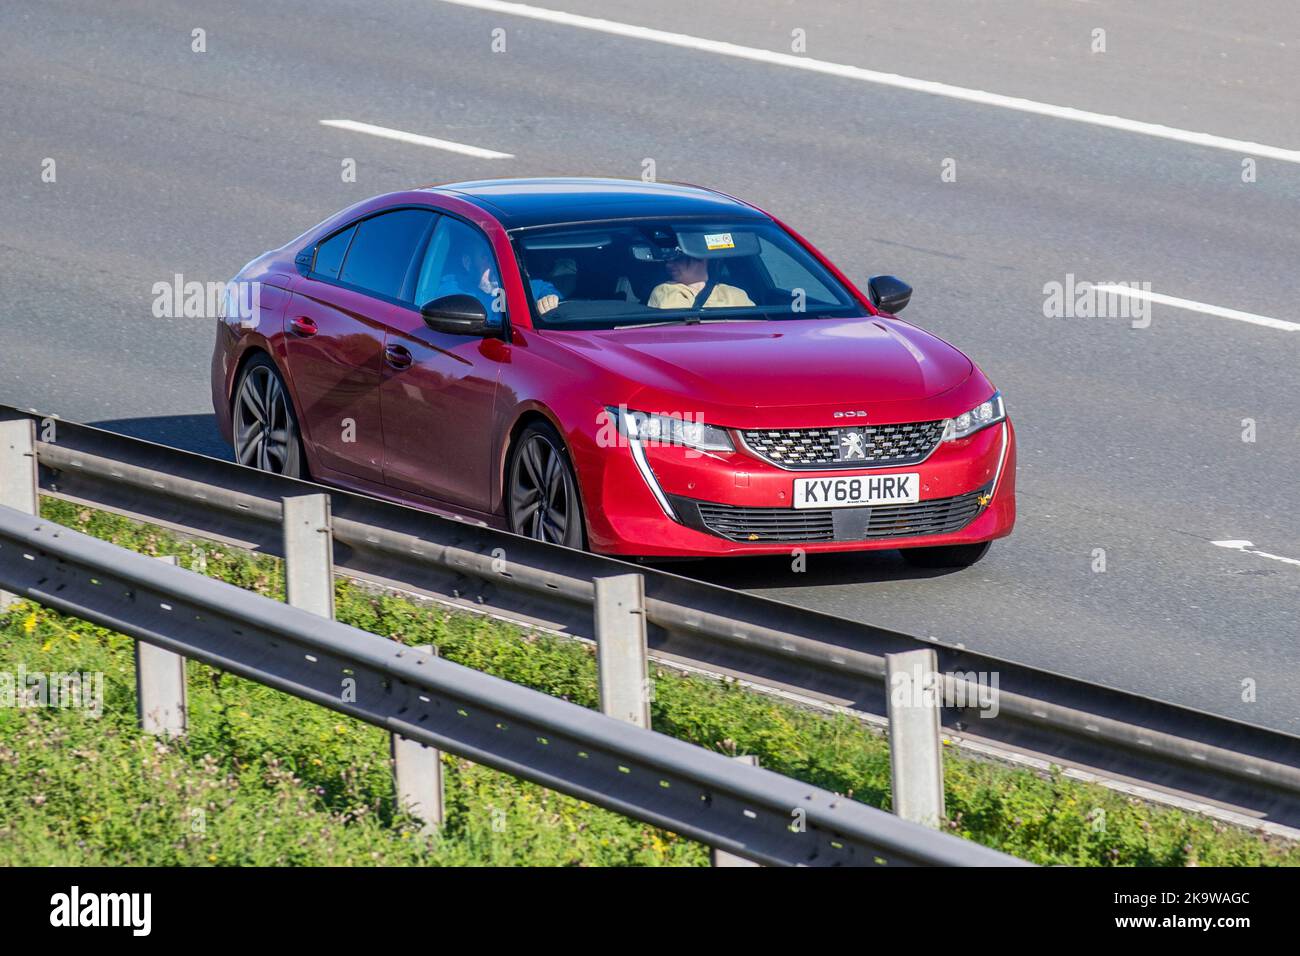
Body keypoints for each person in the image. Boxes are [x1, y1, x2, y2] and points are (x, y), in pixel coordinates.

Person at [646, 252, 753, 310]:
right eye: (667, 260)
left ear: (701, 258)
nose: (669, 264)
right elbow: (678, 325)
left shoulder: (735, 293)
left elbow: (755, 324)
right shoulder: (665, 290)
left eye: (678, 258)